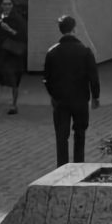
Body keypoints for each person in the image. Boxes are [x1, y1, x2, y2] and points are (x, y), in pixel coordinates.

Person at [42, 16, 100, 166]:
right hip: (80, 99)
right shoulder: (85, 51)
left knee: (61, 135)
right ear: (74, 29)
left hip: (61, 100)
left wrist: (53, 95)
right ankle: (78, 163)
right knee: (80, 133)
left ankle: (62, 166)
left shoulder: (52, 52)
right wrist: (95, 96)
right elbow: (93, 76)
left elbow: (47, 78)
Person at [0, 0, 27, 117]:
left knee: (14, 81)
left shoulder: (19, 20)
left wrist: (9, 29)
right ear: (1, 6)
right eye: (4, 4)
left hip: (13, 54)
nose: (7, 6)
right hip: (0, 54)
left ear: (13, 5)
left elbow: (23, 37)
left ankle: (13, 105)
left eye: (9, 4)